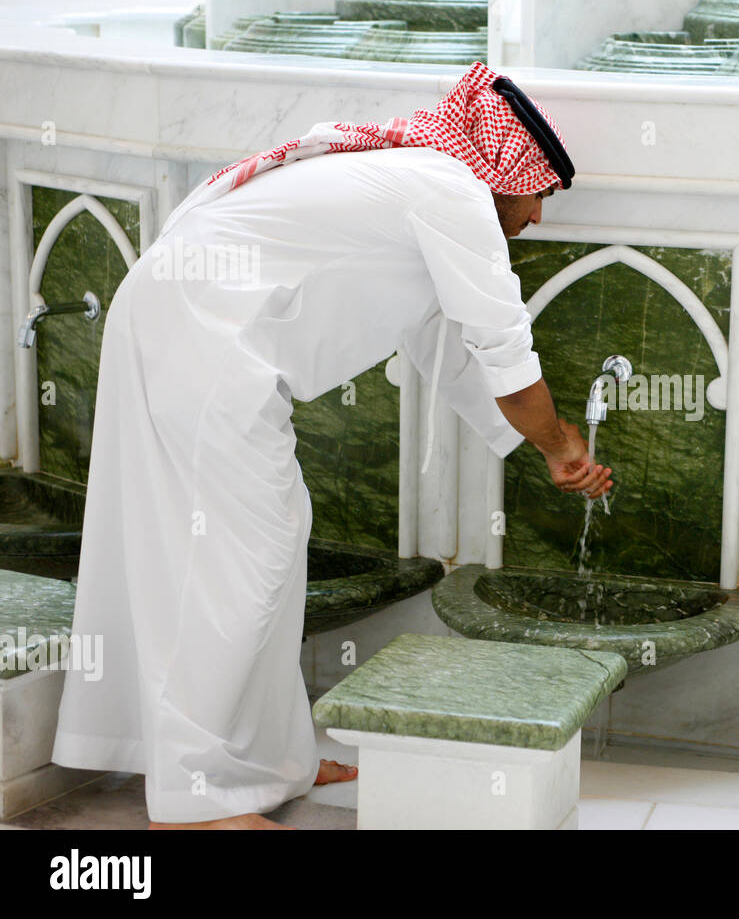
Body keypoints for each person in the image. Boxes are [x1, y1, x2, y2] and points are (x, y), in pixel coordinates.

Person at [51, 62, 610, 829]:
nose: (539, 214)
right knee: (241, 558)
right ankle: (196, 798)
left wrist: (547, 448)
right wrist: (557, 442)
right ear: (504, 168)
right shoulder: (448, 191)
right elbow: (503, 345)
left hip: (197, 333)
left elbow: (449, 348)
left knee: (270, 550)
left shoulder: (421, 186)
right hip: (197, 337)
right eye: (540, 190)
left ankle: (272, 763)